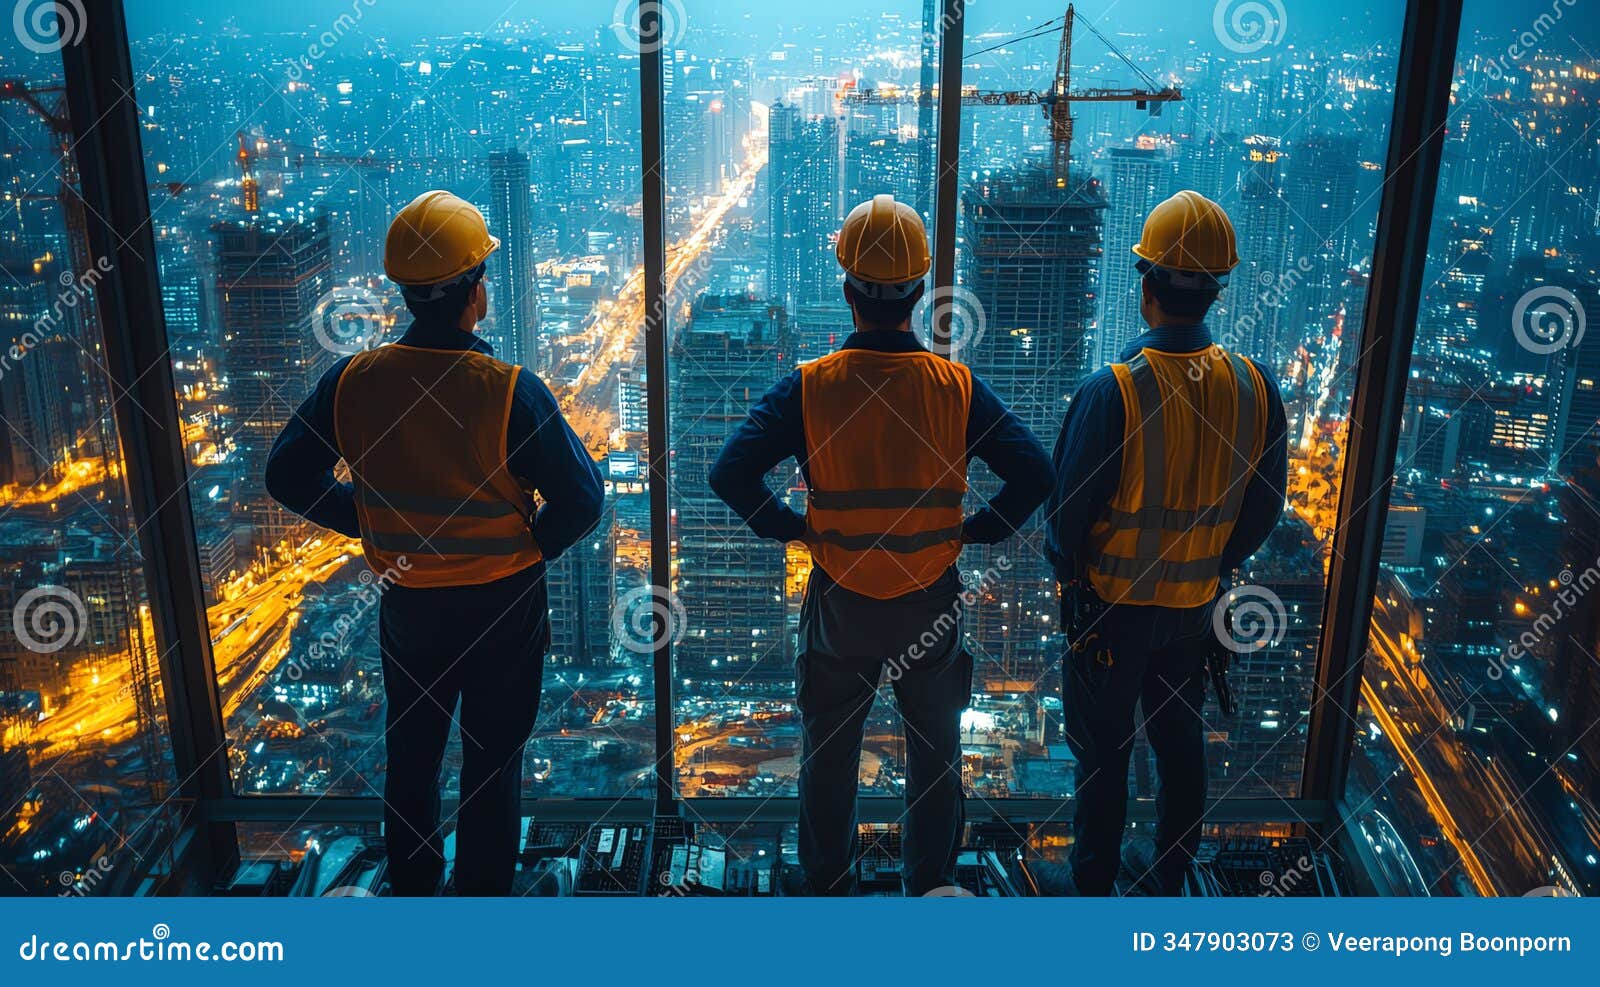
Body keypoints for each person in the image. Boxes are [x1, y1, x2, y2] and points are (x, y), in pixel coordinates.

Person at [710, 194, 1052, 895]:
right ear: (920, 293)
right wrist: (976, 530)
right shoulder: (954, 388)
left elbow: (729, 472)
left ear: (847, 293)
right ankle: (929, 891)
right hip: (931, 602)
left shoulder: (809, 389)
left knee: (829, 757)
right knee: (936, 758)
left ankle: (830, 890)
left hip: (842, 604)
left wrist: (793, 528)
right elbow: (1035, 471)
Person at [265, 190, 603, 896]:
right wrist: (527, 548)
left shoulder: (353, 382)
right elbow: (583, 499)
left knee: (412, 754)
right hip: (502, 607)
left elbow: (287, 475)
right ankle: (481, 897)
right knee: (492, 759)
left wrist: (368, 521)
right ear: (475, 289)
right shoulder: (508, 390)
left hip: (409, 603)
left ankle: (414, 886)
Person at [1045, 190, 1288, 896]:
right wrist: (1208, 562)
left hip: (1111, 615)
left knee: (1103, 755)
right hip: (1194, 612)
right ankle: (1170, 873)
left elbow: (1064, 523)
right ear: (1214, 290)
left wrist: (1080, 577)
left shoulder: (1111, 391)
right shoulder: (1255, 387)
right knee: (1180, 748)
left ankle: (1092, 888)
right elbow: (1262, 511)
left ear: (1146, 285)